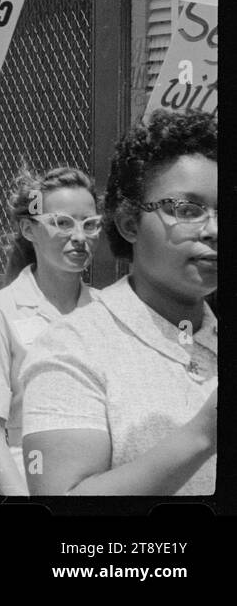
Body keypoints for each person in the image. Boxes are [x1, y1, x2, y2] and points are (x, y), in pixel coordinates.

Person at [21, 110, 217, 496]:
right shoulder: (72, 347)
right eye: (188, 210)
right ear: (129, 223)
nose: (213, 229)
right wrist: (204, 433)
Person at [0, 166, 99, 496]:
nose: (79, 237)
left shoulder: (109, 311)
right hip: (28, 480)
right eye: (62, 223)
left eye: (89, 224)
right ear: (29, 228)